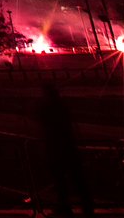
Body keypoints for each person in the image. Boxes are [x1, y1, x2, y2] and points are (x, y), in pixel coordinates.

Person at [37, 84, 93, 218]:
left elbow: (37, 117)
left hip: (56, 151)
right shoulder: (63, 108)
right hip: (68, 149)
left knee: (61, 183)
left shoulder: (48, 110)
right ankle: (86, 208)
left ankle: (66, 207)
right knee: (77, 181)